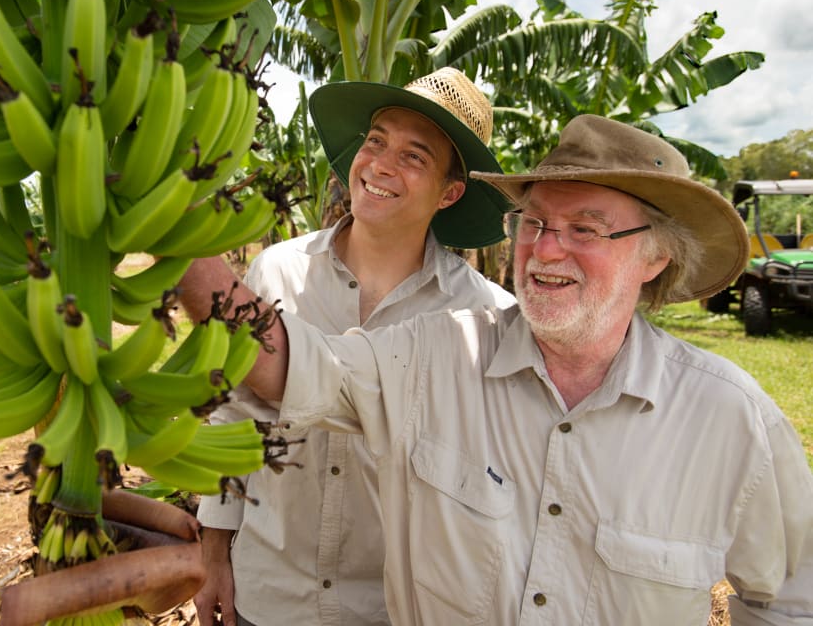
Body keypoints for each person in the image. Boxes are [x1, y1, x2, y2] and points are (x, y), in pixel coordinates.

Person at [179, 114, 813, 625]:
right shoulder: (439, 353)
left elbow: (791, 598)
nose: (545, 248)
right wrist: (174, 220)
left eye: (585, 229)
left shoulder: (730, 419)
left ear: (655, 257)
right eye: (533, 222)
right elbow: (290, 365)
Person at [192, 67, 516, 626]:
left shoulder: (484, 318)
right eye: (376, 142)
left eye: (414, 157)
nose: (381, 166)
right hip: (269, 594)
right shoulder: (278, 272)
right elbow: (232, 420)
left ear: (451, 192)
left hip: (390, 608)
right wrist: (213, 556)